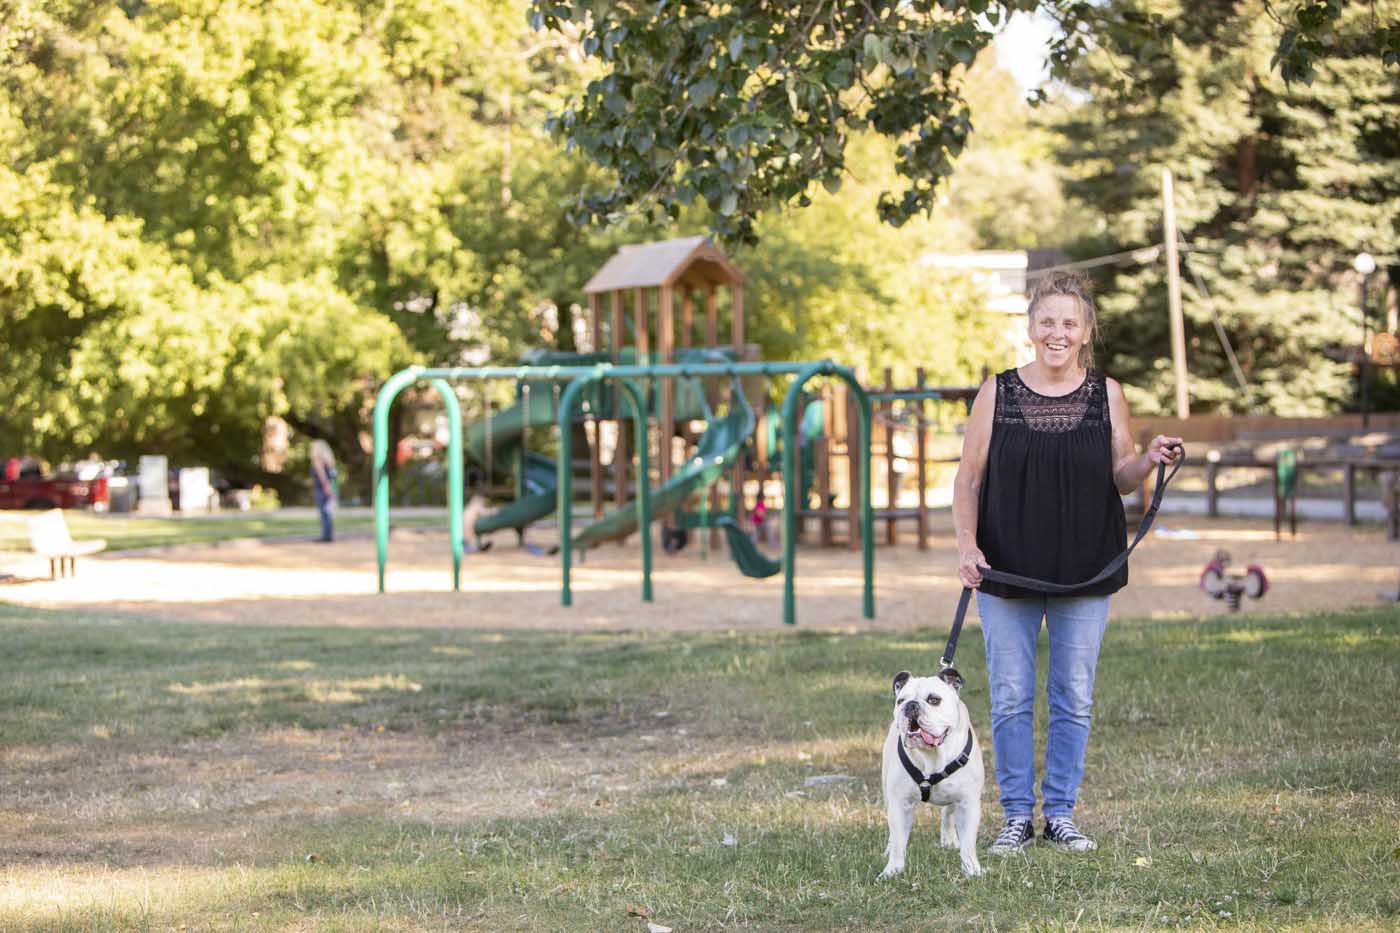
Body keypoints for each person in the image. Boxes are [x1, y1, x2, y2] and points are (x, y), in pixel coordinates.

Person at [952, 270, 1181, 855]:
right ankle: (1015, 816)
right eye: (1047, 321)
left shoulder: (1108, 394)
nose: (1058, 332)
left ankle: (1060, 813)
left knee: (1074, 696)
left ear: (1086, 332)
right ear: (1031, 328)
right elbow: (969, 478)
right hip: (1006, 567)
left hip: (1086, 567)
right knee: (1010, 696)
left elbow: (1122, 475)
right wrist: (967, 545)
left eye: (1069, 323)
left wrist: (1150, 459)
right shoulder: (996, 393)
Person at [310, 440, 338, 543]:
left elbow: (323, 478)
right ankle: (328, 535)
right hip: (327, 489)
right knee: (327, 513)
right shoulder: (328, 462)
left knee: (324, 513)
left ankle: (326, 536)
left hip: (321, 489)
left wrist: (327, 488)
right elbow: (331, 478)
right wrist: (332, 491)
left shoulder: (318, 461)